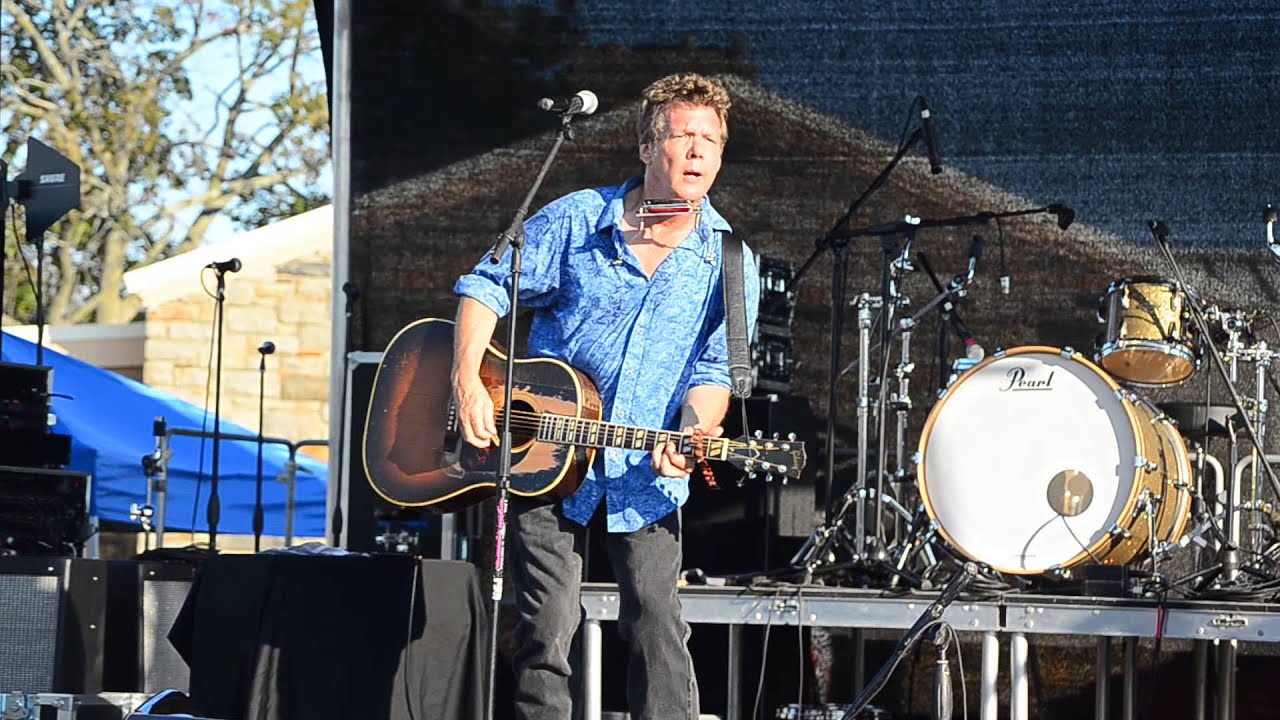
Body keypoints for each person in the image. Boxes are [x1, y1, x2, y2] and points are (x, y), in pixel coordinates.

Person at [451, 72, 759, 720]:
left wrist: (694, 431)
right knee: (544, 623)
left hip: (640, 463)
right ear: (647, 148)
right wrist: (466, 382)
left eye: (711, 140)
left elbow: (716, 371)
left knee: (654, 620)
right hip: (540, 451)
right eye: (683, 136)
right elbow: (484, 287)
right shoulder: (576, 219)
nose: (699, 151)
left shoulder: (731, 262)